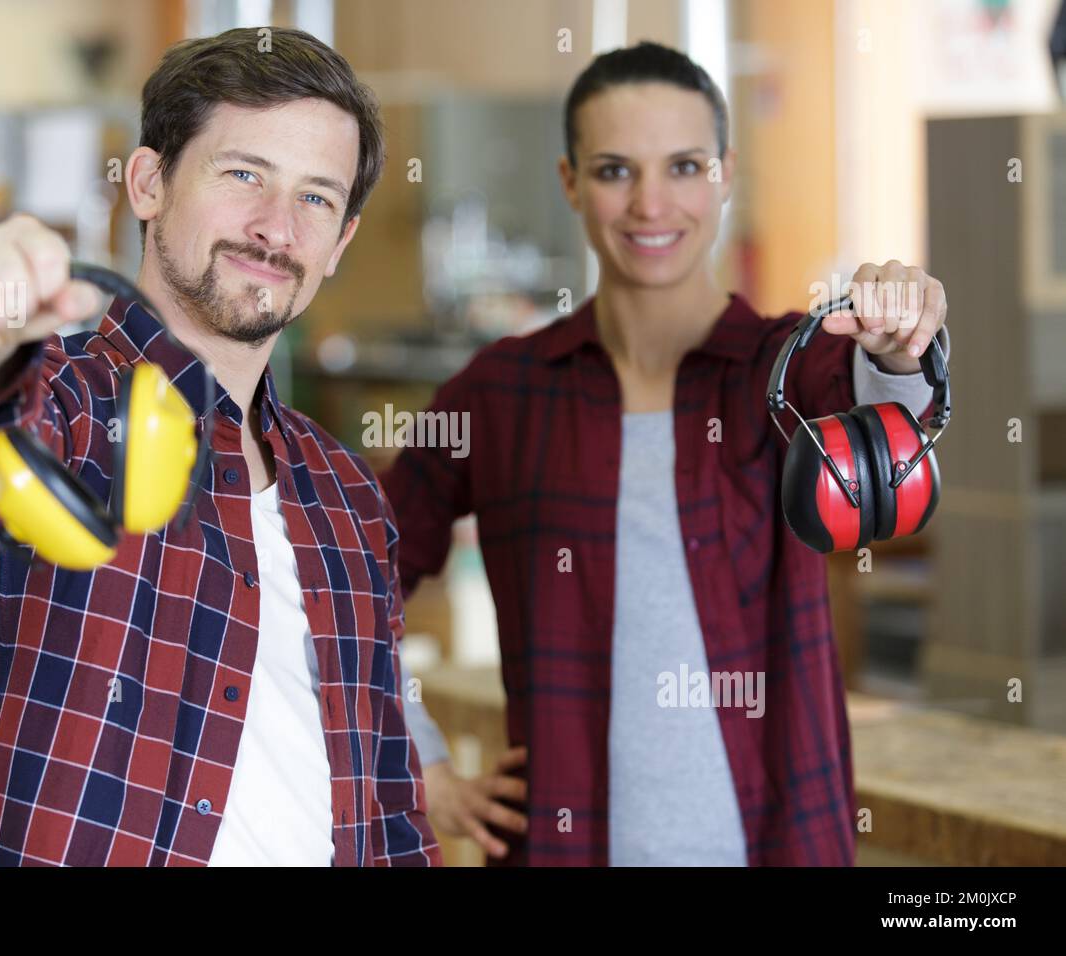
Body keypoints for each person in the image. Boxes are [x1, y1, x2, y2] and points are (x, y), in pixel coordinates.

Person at [385, 42, 950, 866]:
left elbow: (890, 396)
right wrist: (416, 759)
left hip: (781, 846)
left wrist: (904, 340)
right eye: (616, 170)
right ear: (571, 181)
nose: (652, 204)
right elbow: (350, 583)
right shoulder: (500, 394)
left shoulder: (786, 366)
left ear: (723, 173)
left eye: (683, 166)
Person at [0, 27, 440, 866]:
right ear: (149, 182)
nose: (275, 228)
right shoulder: (65, 411)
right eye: (243, 175)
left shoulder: (346, 494)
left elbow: (388, 800)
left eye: (315, 198)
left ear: (340, 242)